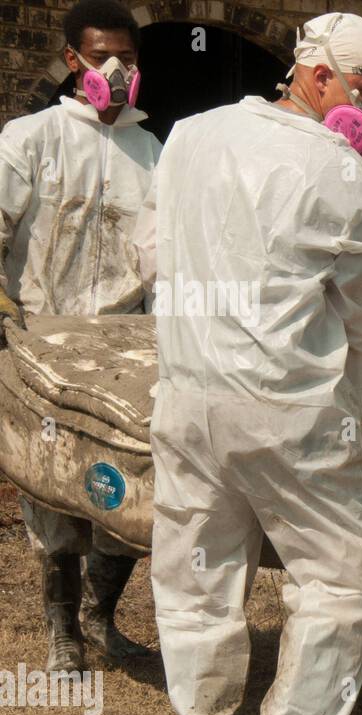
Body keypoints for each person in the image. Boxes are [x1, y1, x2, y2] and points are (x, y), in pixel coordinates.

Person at [136, 12, 362, 715]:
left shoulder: (188, 136)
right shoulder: (346, 175)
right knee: (349, 569)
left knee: (198, 574)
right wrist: (348, 402)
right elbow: (350, 309)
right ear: (318, 76)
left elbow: (152, 252)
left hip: (185, 396)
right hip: (287, 405)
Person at [0, 0, 160, 672]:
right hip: (47, 336)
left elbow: (159, 252)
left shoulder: (150, 149)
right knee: (52, 489)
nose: (116, 69)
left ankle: (101, 617)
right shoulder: (29, 139)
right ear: (73, 61)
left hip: (124, 345)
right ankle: (62, 629)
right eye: (101, 57)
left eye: (126, 55)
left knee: (126, 488)